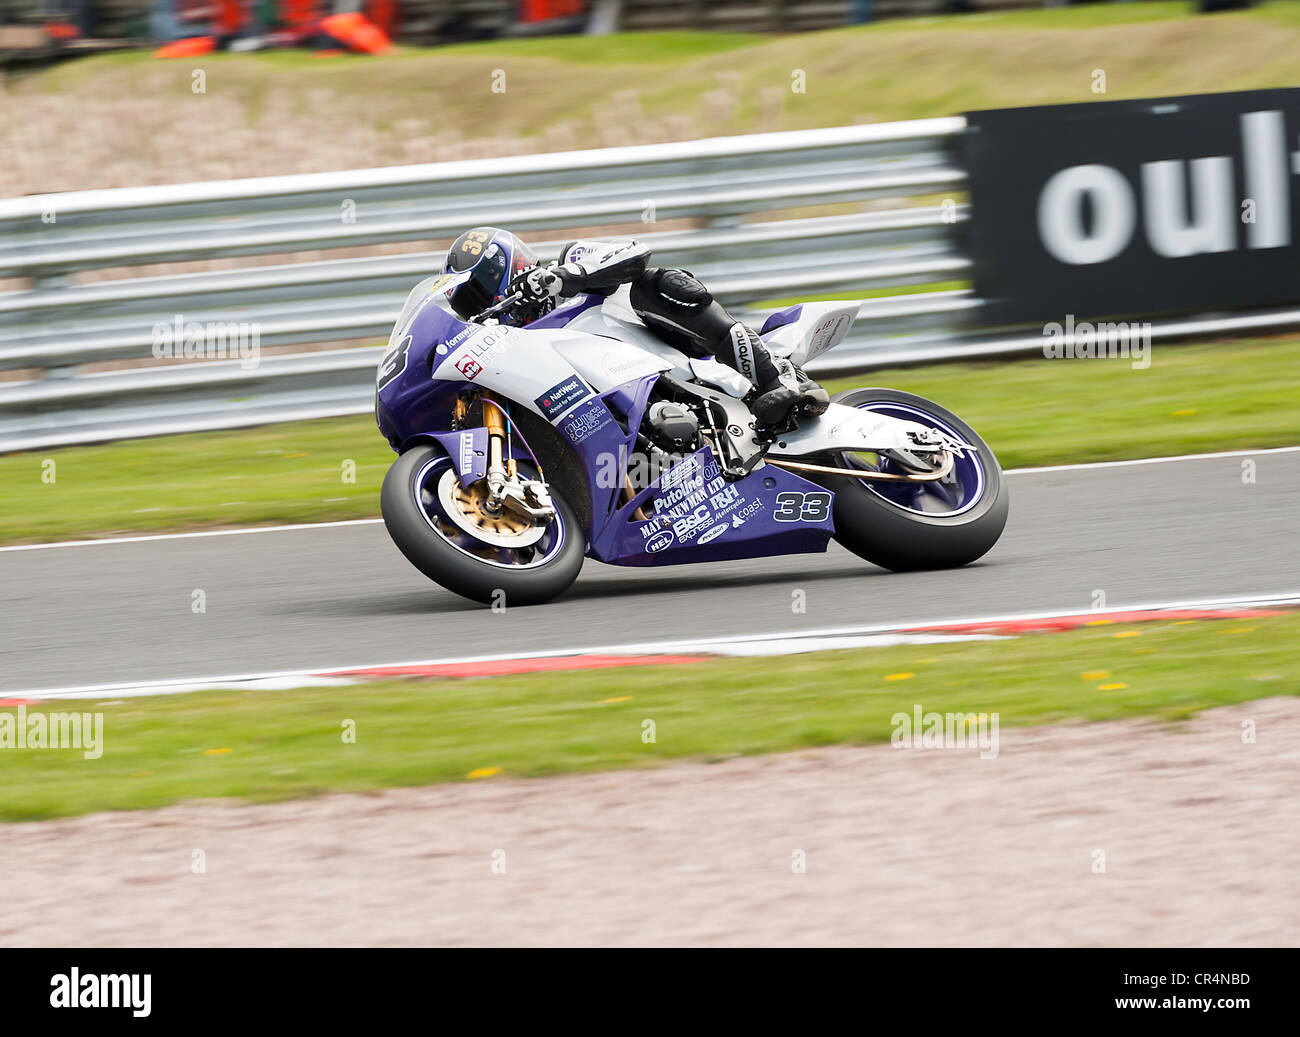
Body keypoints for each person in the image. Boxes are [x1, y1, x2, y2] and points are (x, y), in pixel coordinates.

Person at [441, 227, 829, 429]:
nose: (482, 307)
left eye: (480, 293)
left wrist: (567, 277)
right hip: (636, 408)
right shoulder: (515, 350)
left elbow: (634, 251)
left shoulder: (571, 263)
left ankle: (776, 378)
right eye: (469, 305)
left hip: (684, 356)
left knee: (657, 284)